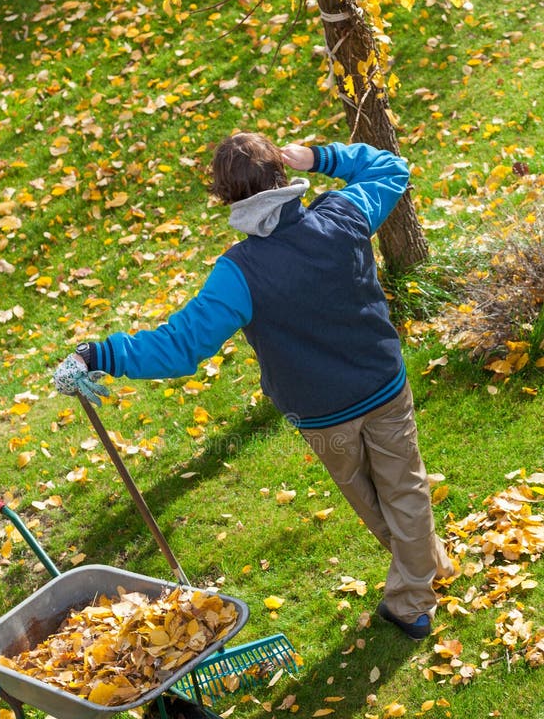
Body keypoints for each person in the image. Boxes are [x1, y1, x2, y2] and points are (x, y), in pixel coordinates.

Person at [54, 133, 454, 640]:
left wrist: (97, 354)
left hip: (322, 416)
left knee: (373, 501)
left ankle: (411, 602)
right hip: (382, 388)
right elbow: (391, 168)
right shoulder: (344, 214)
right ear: (282, 174)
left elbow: (180, 346)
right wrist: (320, 156)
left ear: (226, 197)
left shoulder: (238, 273)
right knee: (405, 491)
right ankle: (425, 566)